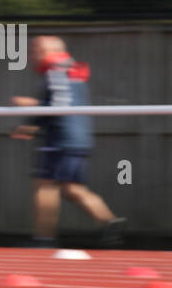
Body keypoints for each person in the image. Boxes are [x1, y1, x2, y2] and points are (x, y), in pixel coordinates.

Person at [10, 35, 126, 248]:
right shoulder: (70, 70)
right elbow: (60, 103)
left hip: (60, 139)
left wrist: (31, 108)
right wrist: (32, 121)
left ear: (51, 51)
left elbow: (58, 105)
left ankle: (43, 239)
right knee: (73, 189)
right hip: (77, 138)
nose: (31, 54)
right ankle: (110, 222)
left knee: (44, 186)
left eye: (36, 49)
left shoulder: (57, 70)